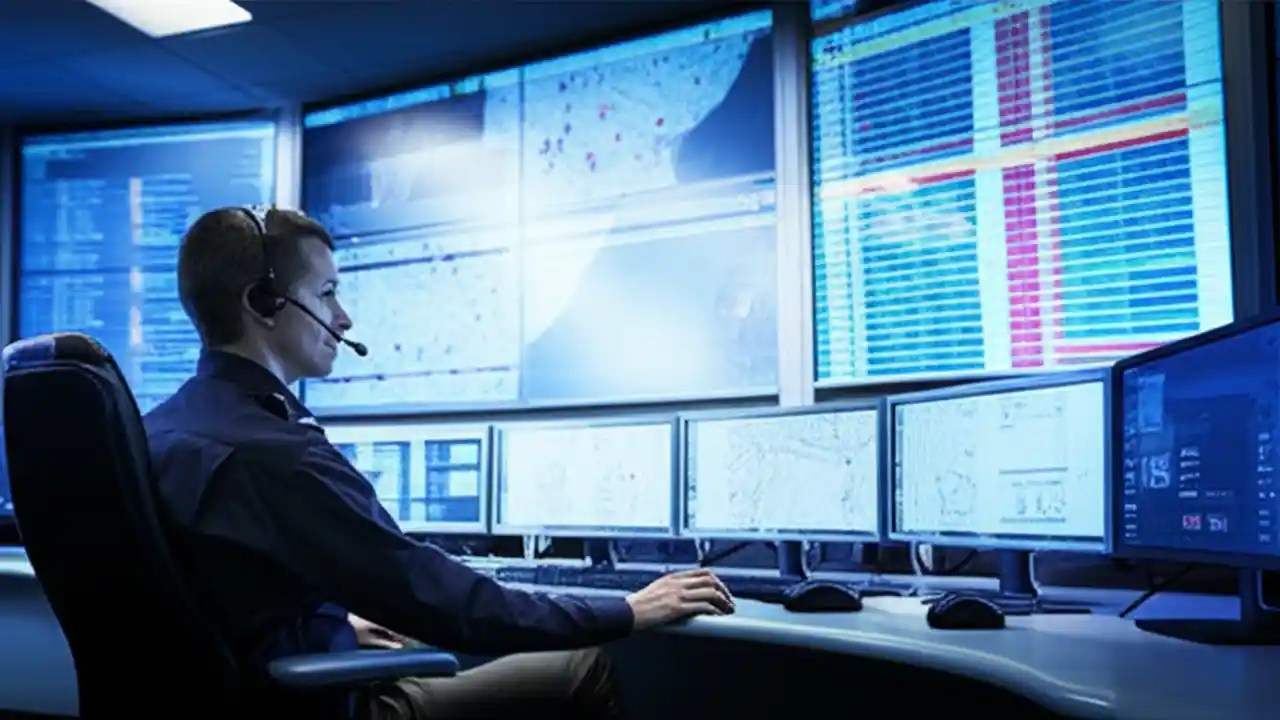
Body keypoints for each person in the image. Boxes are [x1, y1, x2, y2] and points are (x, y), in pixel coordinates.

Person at [143, 205, 735, 719]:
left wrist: (333, 628)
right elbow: (455, 606)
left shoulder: (158, 430)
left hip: (234, 697)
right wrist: (627, 609)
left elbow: (216, 600)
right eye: (327, 294)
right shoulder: (281, 456)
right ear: (264, 304)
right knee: (582, 671)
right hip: (303, 709)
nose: (343, 318)